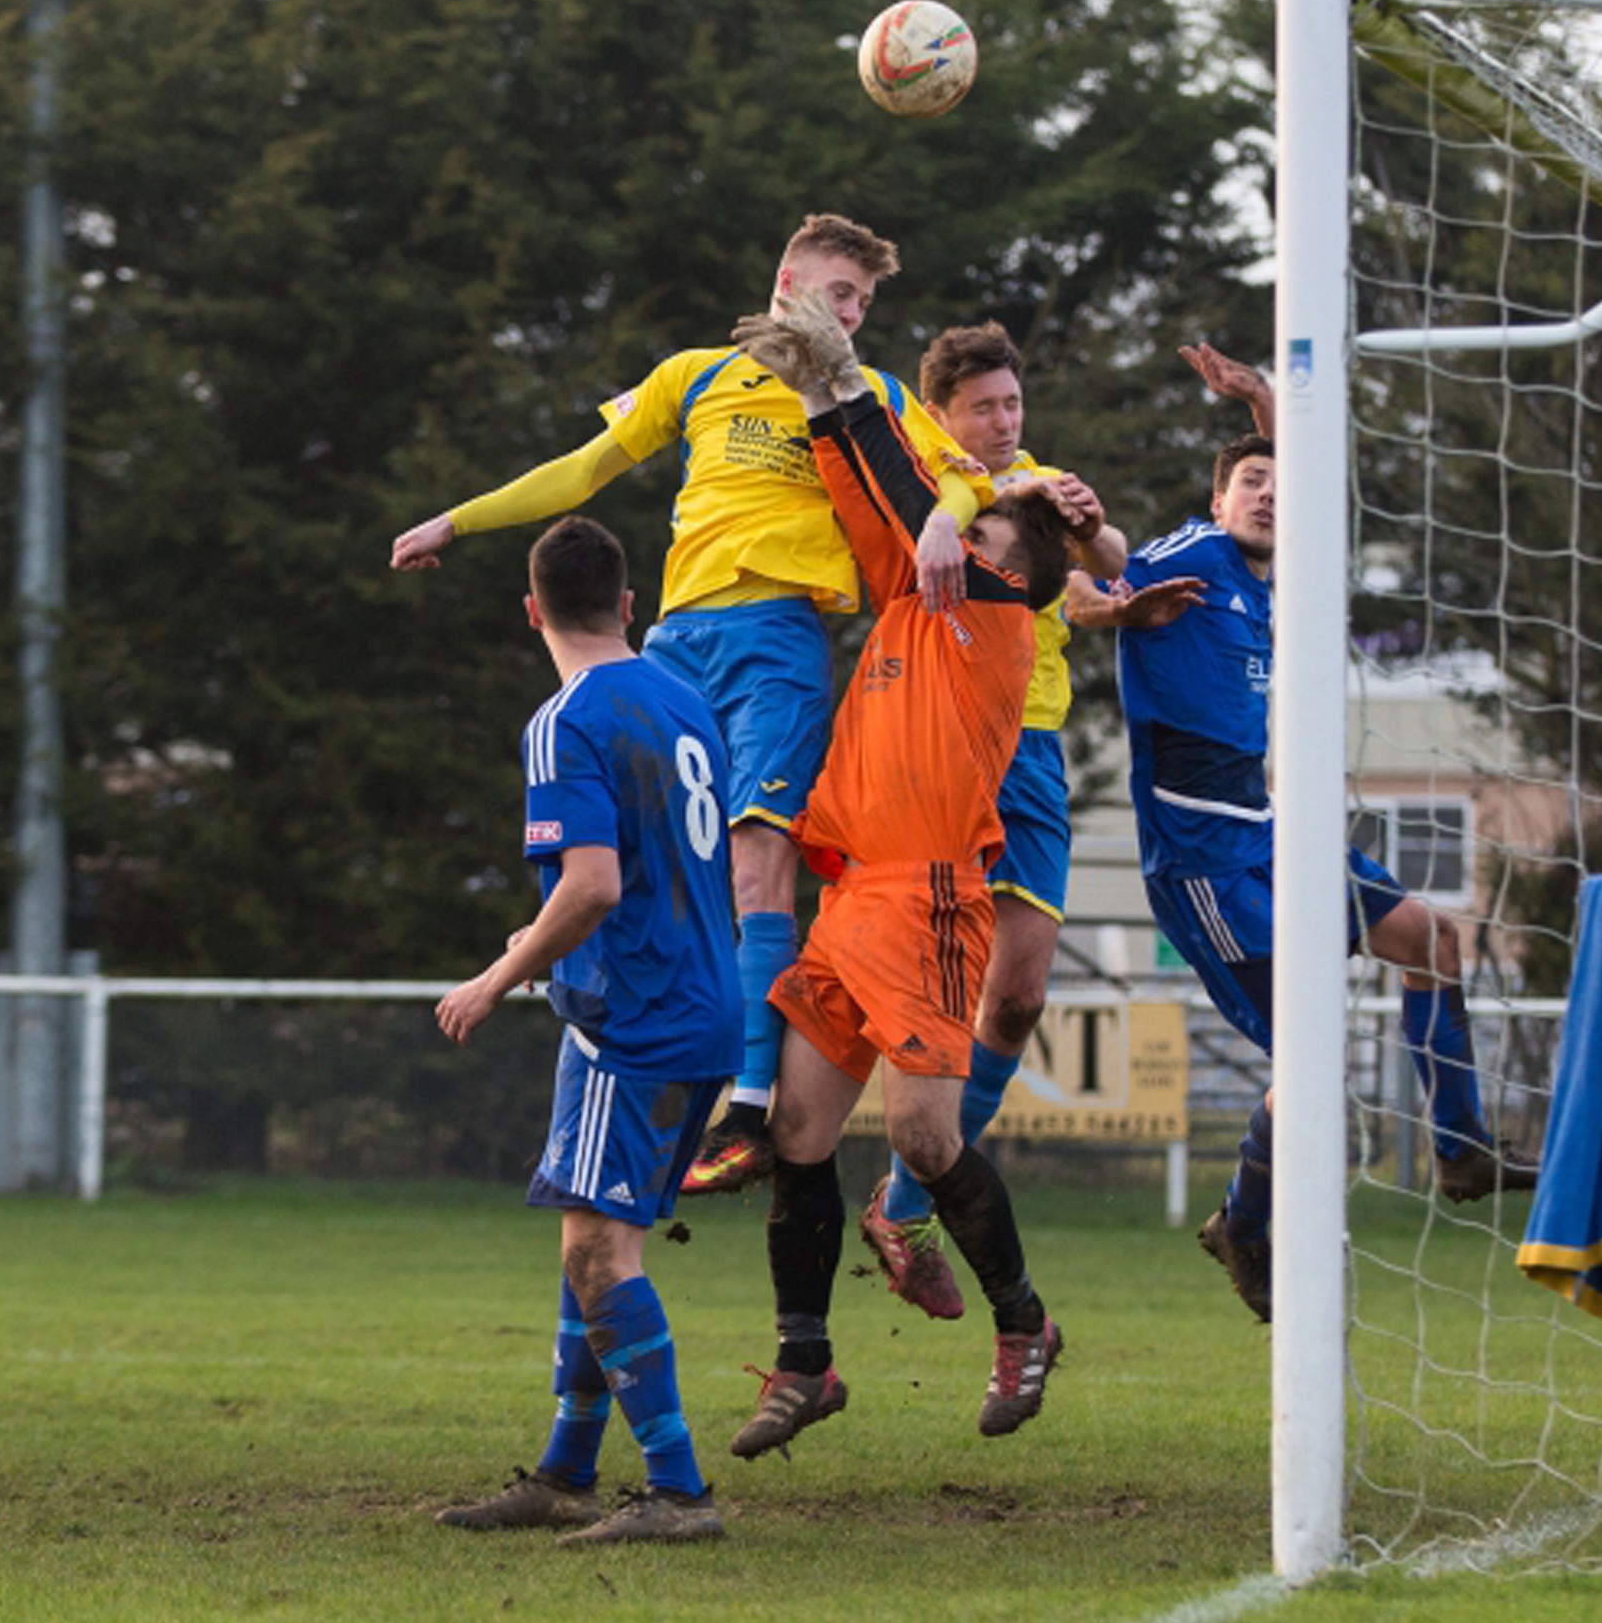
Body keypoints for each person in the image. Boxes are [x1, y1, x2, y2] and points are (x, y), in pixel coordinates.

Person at [391, 215, 979, 1204]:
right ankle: (602, 1017)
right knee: (625, 851)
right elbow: (583, 470)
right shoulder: (698, 376)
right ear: (788, 281)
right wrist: (457, 519)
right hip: (671, 644)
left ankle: (746, 1109)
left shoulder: (868, 394)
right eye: (840, 293)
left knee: (755, 860)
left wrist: (941, 530)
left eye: (864, 303)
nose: (851, 316)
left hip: (778, 638)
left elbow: (963, 481)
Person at [717, 292, 1081, 1455]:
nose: (953, 541)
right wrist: (824, 402)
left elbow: (913, 495)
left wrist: (845, 376)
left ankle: (1023, 1323)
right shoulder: (917, 597)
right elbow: (876, 495)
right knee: (800, 1134)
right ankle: (804, 1365)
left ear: (1010, 575)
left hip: (927, 898)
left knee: (924, 1141)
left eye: (977, 539)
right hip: (851, 901)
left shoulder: (996, 626)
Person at [1118, 345, 1539, 1324]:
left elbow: (1300, 488)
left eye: (1278, 482)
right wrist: (1102, 603)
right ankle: (1242, 1224)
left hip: (1274, 831)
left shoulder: (1274, 580)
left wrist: (1266, 399)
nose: (1267, 494)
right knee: (1308, 1064)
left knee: (1432, 939)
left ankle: (1462, 1150)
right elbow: (1105, 569)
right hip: (1203, 862)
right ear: (1215, 501)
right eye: (1249, 482)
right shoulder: (1194, 556)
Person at [856, 322, 1204, 1321]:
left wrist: (1108, 579)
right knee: (924, 985)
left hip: (1033, 752)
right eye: (983, 409)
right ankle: (816, 1154)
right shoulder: (924, 490)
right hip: (938, 750)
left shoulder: (1042, 484)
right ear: (940, 415)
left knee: (1016, 998)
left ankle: (901, 1202)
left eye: (1013, 404)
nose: (1005, 422)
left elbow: (1097, 574)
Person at [429, 515, 742, 1545]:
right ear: (628, 604)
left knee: (602, 1255)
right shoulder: (686, 700)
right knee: (591, 1239)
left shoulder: (565, 719)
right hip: (702, 1004)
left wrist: (499, 975)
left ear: (532, 612)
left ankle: (679, 1493)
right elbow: (652, 871)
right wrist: (547, 942)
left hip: (634, 1022)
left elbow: (595, 883)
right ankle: (566, 1475)